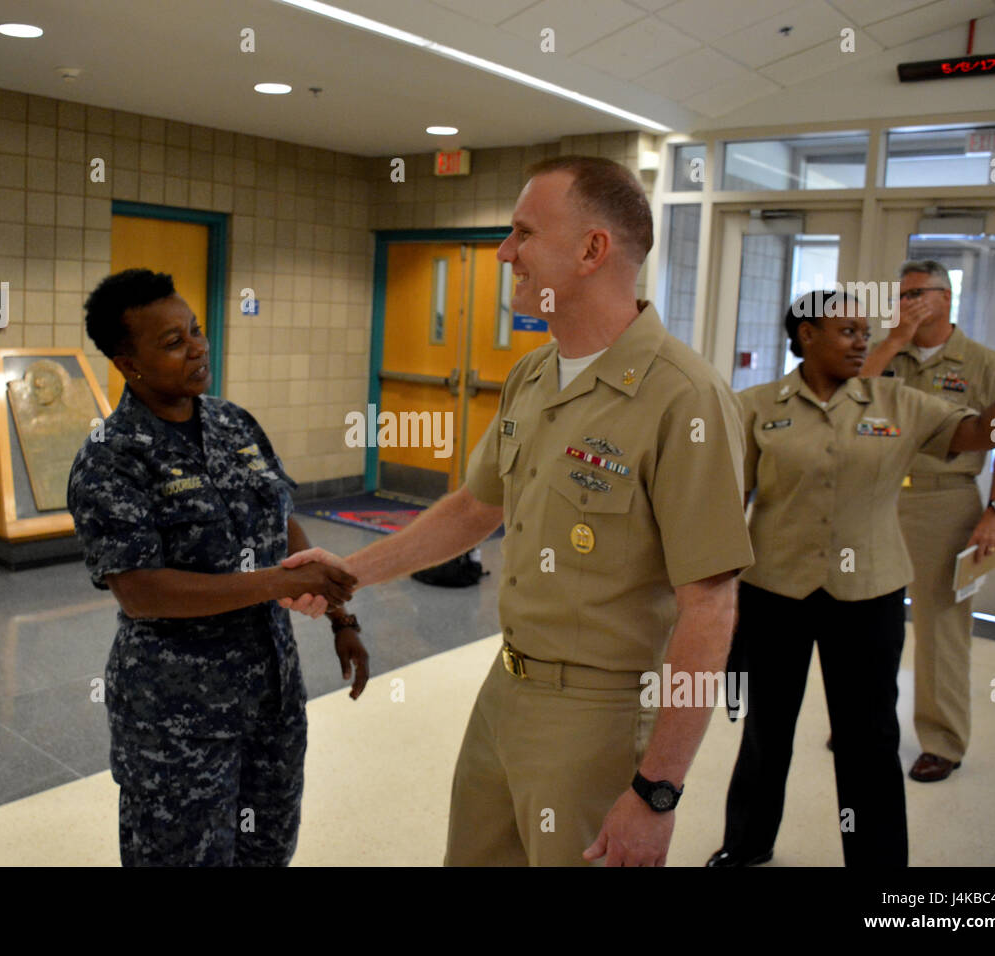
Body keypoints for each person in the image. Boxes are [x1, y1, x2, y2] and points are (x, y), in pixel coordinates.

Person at [283, 156, 756, 866]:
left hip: (602, 713)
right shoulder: (535, 374)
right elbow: (474, 507)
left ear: (593, 250)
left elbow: (711, 609)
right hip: (507, 686)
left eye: (522, 233)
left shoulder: (685, 399)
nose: (505, 252)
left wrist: (658, 789)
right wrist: (347, 572)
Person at [708, 290, 995, 867]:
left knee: (868, 739)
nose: (863, 340)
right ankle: (746, 845)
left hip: (868, 595)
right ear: (807, 334)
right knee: (767, 731)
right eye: (847, 331)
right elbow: (730, 501)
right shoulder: (756, 406)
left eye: (866, 332)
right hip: (775, 593)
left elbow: (987, 433)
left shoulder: (899, 403)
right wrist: (719, 591)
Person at [67, 268, 369, 867]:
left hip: (272, 699)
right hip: (178, 722)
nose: (198, 348)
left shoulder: (234, 424)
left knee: (267, 852)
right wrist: (282, 583)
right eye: (173, 342)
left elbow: (282, 521)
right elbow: (143, 592)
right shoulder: (112, 457)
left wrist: (341, 617)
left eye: (196, 331)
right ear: (129, 365)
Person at [859, 260, 995, 783]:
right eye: (900, 295)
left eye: (917, 294)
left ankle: (943, 740)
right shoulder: (890, 356)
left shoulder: (985, 364)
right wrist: (893, 342)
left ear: (946, 296)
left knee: (942, 627)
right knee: (869, 621)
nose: (906, 304)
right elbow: (848, 399)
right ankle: (866, 722)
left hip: (944, 502)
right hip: (879, 500)